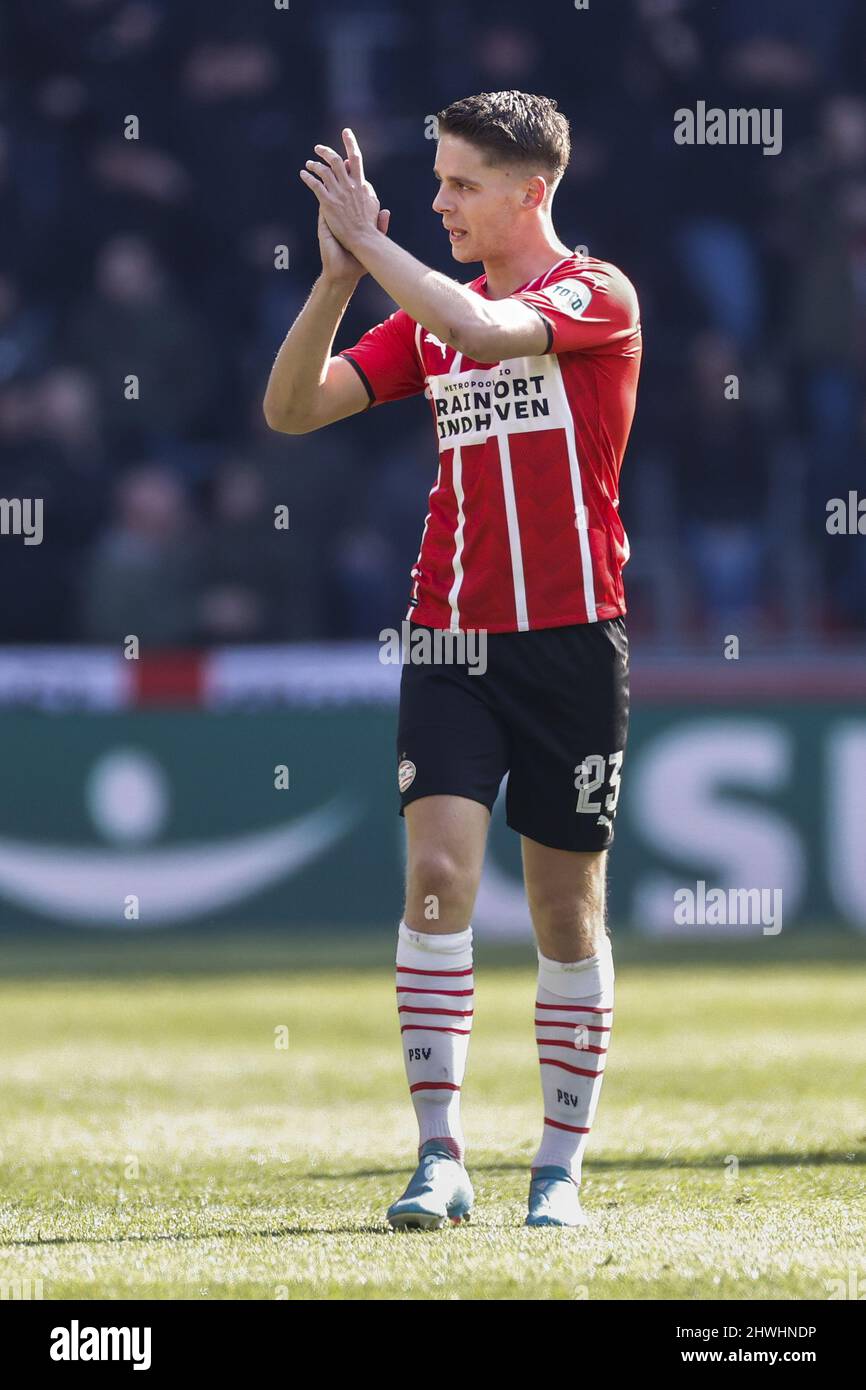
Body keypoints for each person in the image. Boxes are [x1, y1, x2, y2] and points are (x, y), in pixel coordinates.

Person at [264, 90, 641, 1229]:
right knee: (435, 879)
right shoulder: (422, 312)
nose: (436, 203)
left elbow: (486, 334)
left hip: (573, 639)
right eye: (432, 182)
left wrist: (372, 243)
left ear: (532, 192)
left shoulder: (593, 291)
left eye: (459, 183)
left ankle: (558, 1168)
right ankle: (439, 1155)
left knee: (565, 911)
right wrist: (336, 277)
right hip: (450, 638)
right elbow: (292, 410)